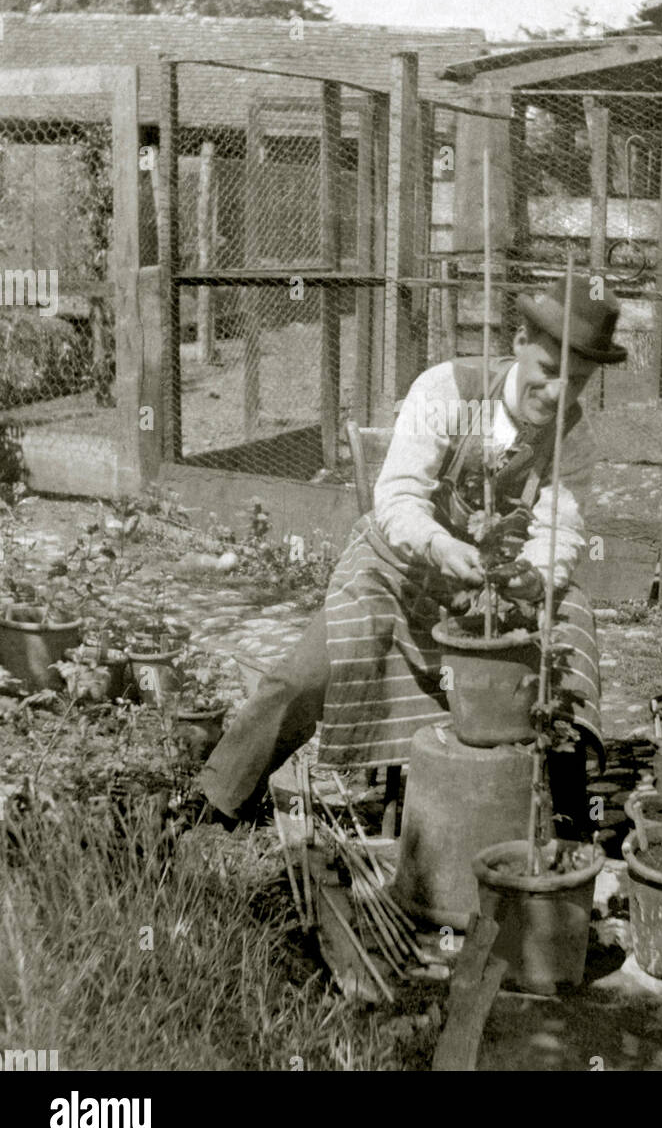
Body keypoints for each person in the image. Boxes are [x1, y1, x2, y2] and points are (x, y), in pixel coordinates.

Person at [198, 274, 627, 839]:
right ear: (520, 341)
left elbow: (559, 530)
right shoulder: (445, 391)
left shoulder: (574, 438)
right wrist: (441, 545)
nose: (555, 395)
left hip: (492, 588)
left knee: (569, 627)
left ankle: (565, 814)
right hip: (399, 570)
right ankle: (215, 798)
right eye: (547, 374)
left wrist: (534, 574)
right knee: (310, 672)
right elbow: (397, 500)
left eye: (576, 383)